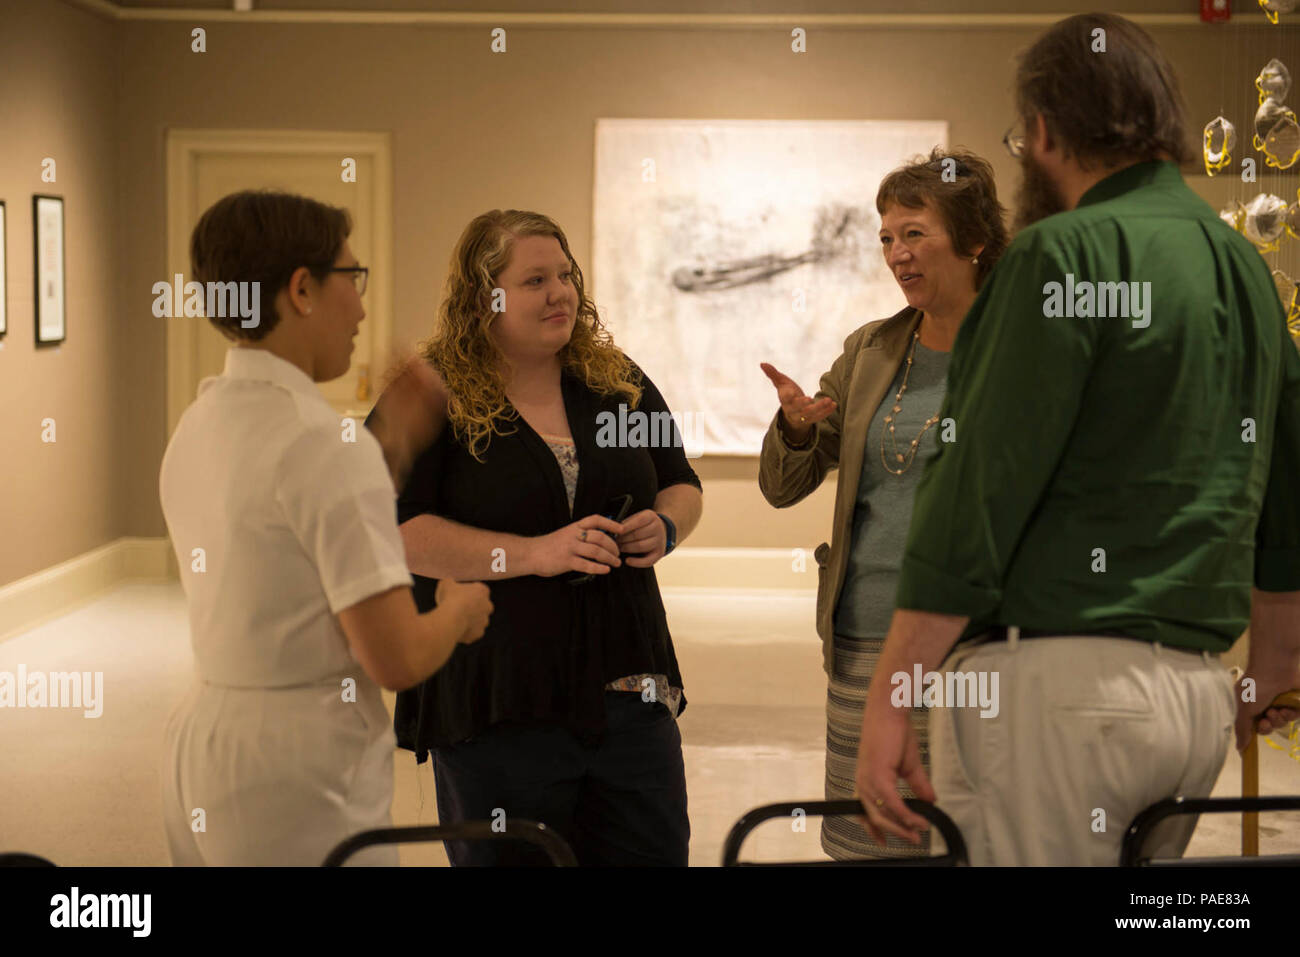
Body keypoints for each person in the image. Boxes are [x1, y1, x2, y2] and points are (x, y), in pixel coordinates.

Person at [853, 13, 1300, 866]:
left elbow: (979, 484)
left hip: (1059, 693)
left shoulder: (1061, 251)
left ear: (1047, 132)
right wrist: (1276, 655)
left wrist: (894, 692)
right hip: (1195, 696)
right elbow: (1285, 475)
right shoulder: (1240, 263)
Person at [159, 190, 493, 866]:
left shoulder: (203, 419)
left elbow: (289, 533)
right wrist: (457, 610)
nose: (363, 307)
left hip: (203, 743)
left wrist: (390, 445)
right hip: (298, 771)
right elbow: (395, 657)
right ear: (303, 288)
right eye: (353, 277)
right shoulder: (327, 446)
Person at [369, 209, 704, 866]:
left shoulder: (616, 381)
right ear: (483, 296)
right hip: (498, 696)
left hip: (628, 688)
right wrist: (532, 553)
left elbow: (682, 483)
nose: (560, 293)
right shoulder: (434, 390)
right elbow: (395, 530)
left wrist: (665, 525)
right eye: (534, 280)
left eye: (566, 274)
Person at [758, 148, 1008, 859]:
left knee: (973, 838)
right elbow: (781, 487)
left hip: (979, 643)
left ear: (975, 237)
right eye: (887, 238)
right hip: (864, 635)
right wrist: (797, 426)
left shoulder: (1020, 348)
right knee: (872, 842)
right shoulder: (870, 351)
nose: (897, 253)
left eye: (915, 233)